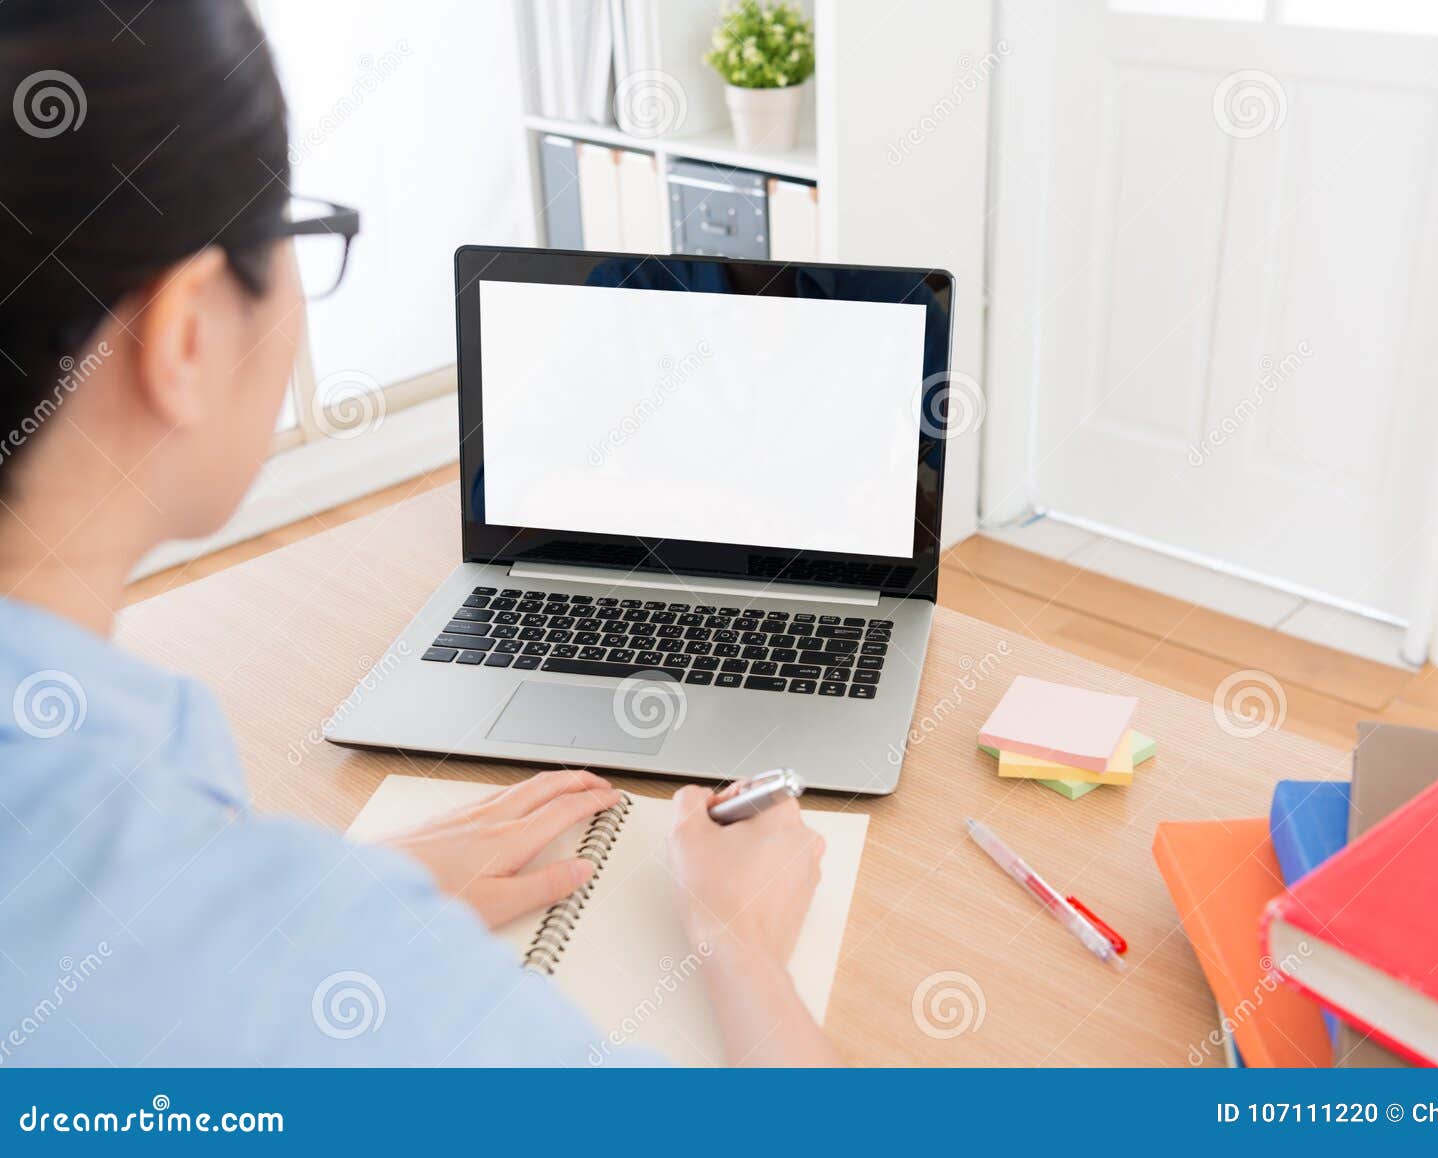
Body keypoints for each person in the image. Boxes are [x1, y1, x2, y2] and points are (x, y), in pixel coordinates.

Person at [0, 0, 835, 1066]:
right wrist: (741, 938)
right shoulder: (322, 986)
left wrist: (334, 894)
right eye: (297, 234)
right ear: (187, 331)